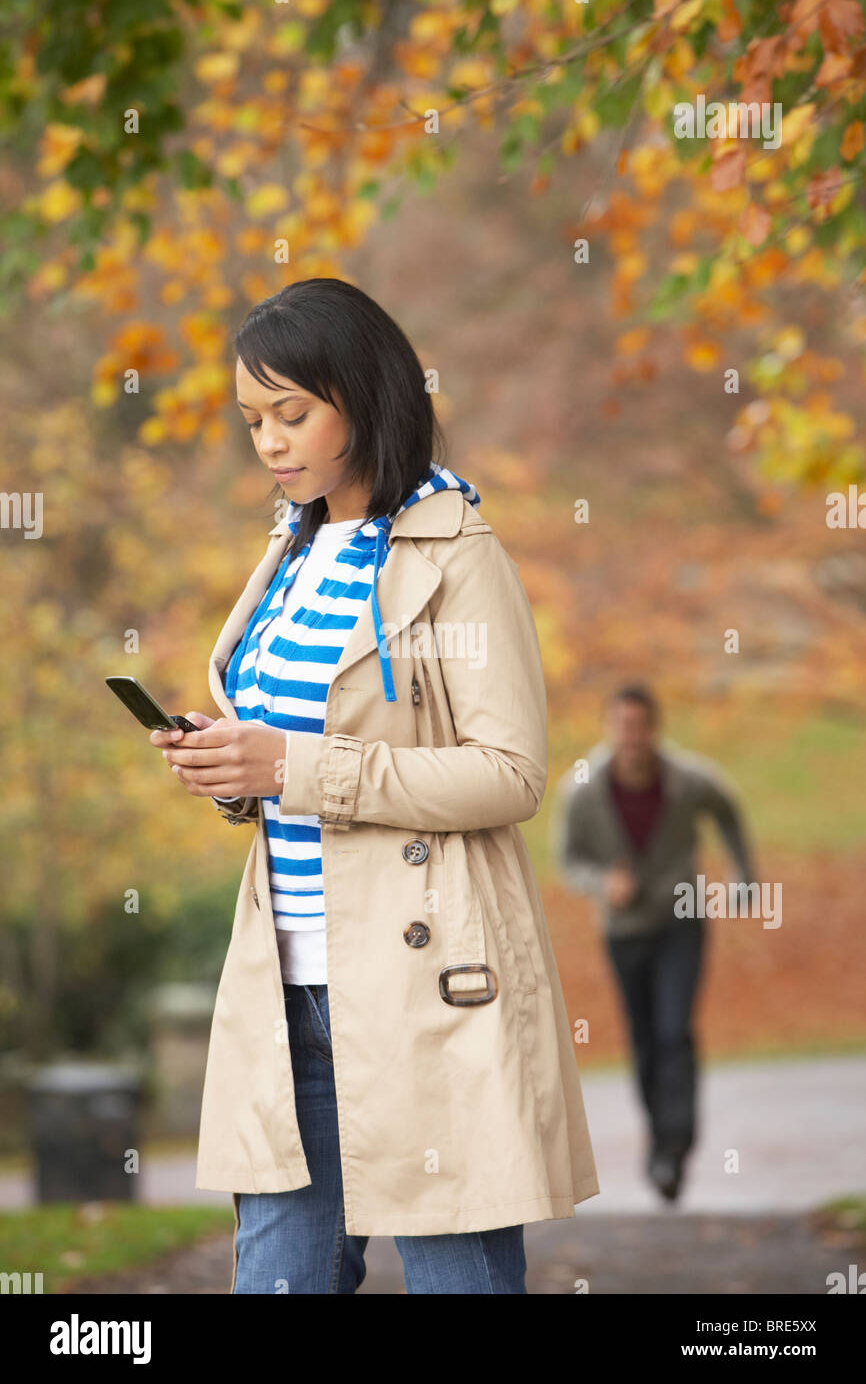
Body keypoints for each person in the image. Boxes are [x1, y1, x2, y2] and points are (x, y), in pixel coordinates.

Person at [149, 277, 599, 1294]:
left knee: (454, 1274)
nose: (267, 441)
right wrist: (231, 767)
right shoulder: (291, 548)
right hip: (284, 984)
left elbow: (508, 773)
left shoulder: (455, 550)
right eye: (251, 420)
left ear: (361, 394)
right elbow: (288, 759)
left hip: (422, 987)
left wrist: (292, 767)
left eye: (291, 413)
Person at [554, 683, 754, 1203]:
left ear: (654, 728)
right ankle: (660, 1145)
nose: (633, 738)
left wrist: (744, 875)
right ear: (609, 728)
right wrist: (602, 883)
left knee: (674, 1031)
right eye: (623, 726)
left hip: (682, 923)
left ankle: (674, 1148)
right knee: (644, 1039)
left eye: (641, 727)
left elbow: (729, 809)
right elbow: (569, 860)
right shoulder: (582, 790)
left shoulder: (688, 780)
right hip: (623, 933)